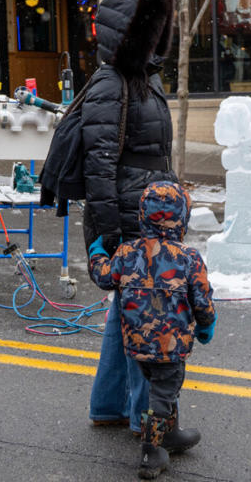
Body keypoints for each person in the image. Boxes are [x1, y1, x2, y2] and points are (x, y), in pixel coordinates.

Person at [82, 0, 177, 435]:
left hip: (151, 210)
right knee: (147, 314)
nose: (157, 38)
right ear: (130, 33)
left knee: (128, 307)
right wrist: (109, 232)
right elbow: (99, 164)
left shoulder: (145, 78)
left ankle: (108, 405)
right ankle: (148, 418)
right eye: (150, 30)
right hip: (129, 214)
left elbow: (156, 152)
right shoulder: (110, 82)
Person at [88, 181, 217, 480]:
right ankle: (151, 451)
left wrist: (97, 253)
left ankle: (170, 434)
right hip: (171, 347)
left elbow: (105, 278)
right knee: (163, 392)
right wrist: (206, 325)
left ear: (142, 215)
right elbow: (202, 299)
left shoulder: (127, 252)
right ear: (182, 218)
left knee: (162, 390)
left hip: (136, 345)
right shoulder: (189, 257)